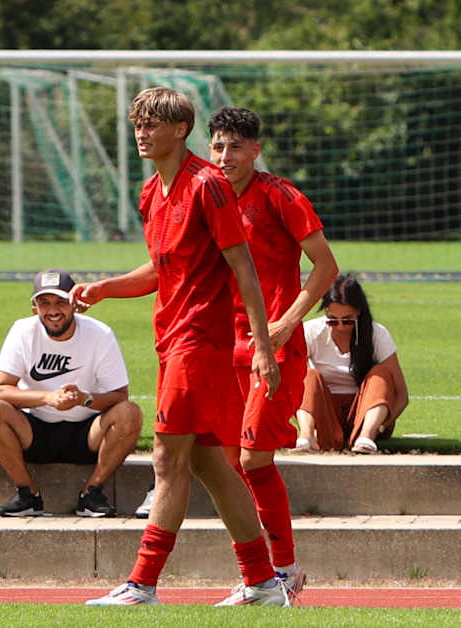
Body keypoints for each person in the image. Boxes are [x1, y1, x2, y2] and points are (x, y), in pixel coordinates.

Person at [73, 87, 288, 606]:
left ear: (180, 131)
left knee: (168, 458)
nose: (142, 133)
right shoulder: (152, 193)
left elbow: (245, 269)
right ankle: (262, 582)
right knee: (210, 463)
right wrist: (106, 287)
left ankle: (143, 583)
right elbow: (161, 268)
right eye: (137, 124)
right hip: (172, 341)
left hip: (200, 342)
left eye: (153, 124)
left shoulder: (208, 185)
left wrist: (262, 346)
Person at [208, 106, 338, 602]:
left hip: (273, 350)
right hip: (224, 348)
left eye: (236, 146)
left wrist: (287, 324)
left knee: (254, 459)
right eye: (218, 145)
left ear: (255, 150)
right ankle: (259, 576)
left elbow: (325, 266)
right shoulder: (209, 196)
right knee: (229, 465)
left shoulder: (281, 195)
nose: (225, 156)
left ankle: (283, 570)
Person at [0, 269, 142, 518]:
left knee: (130, 413)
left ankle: (92, 493)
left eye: (60, 301)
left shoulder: (100, 334)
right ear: (35, 308)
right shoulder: (22, 330)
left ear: (75, 303)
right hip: (34, 431)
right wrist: (48, 398)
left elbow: (120, 396)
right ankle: (27, 494)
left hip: (88, 433)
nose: (53, 310)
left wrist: (83, 398)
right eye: (44, 303)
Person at [297, 272, 408, 454]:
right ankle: (308, 436)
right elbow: (293, 387)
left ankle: (366, 437)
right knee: (307, 375)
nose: (340, 326)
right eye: (332, 321)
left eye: (347, 321)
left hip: (365, 411)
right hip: (326, 411)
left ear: (359, 312)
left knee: (380, 373)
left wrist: (382, 425)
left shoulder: (376, 334)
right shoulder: (312, 331)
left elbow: (402, 395)